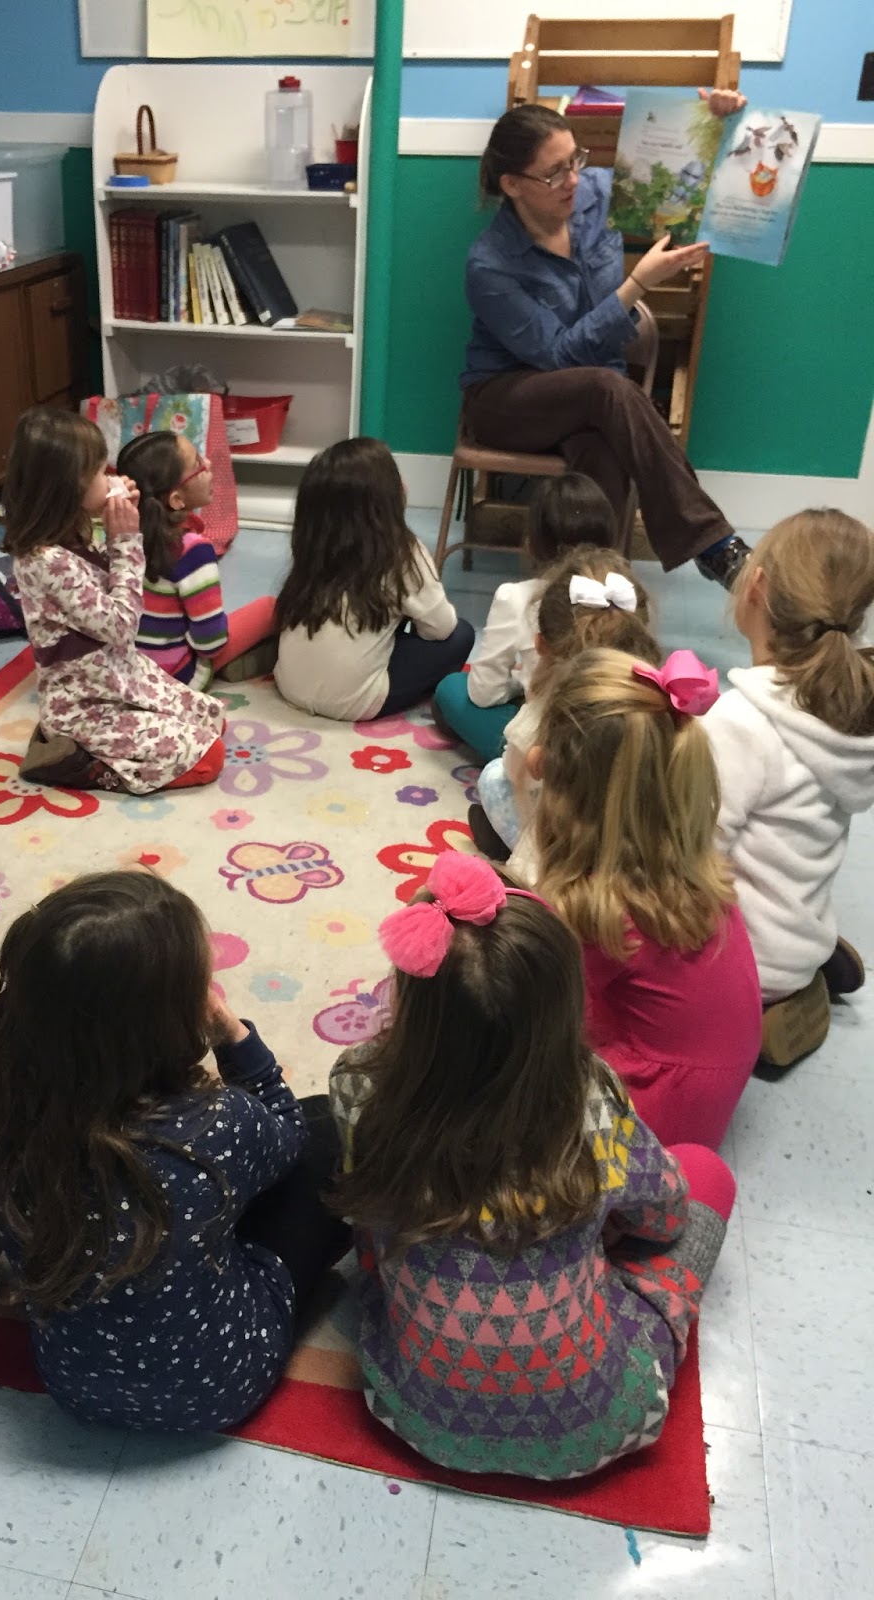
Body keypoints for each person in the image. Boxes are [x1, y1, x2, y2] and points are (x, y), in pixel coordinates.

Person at [329, 850, 735, 1481]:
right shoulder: (591, 1096)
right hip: (594, 1426)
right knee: (708, 1172)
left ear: (411, 1001)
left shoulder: (356, 1085)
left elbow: (367, 1217)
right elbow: (665, 1217)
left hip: (411, 1412)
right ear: (563, 1008)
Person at [0, 871, 349, 1433]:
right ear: (172, 1023)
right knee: (324, 1127)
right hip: (222, 1383)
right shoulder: (212, 1124)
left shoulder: (2, 1114)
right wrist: (231, 1032)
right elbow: (287, 1136)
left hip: (72, 1387)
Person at [461, 94, 752, 589]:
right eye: (554, 173)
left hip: (595, 398)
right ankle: (714, 546)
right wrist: (637, 284)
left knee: (605, 449)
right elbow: (557, 357)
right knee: (605, 388)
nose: (574, 179)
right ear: (512, 185)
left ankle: (590, 592)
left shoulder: (600, 193)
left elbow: (687, 178)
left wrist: (720, 122)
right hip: (508, 401)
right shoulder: (489, 264)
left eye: (575, 160)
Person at [533, 648, 762, 1149]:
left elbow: (542, 1027)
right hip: (706, 1094)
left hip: (647, 1127)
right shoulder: (697, 870)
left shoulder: (592, 911)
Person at [703, 510, 874, 1069]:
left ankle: (757, 1011)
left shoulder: (739, 722)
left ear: (755, 586)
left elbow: (690, 861)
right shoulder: (847, 714)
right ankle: (807, 964)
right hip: (795, 937)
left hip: (735, 966)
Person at [3, 406, 225, 794]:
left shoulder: (74, 529)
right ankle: (77, 763)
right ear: (66, 489)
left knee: (212, 719)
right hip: (84, 705)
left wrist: (122, 514)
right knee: (209, 758)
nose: (110, 479)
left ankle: (92, 746)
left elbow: (106, 590)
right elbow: (121, 626)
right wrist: (125, 540)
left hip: (117, 679)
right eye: (98, 474)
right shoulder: (45, 561)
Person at [469, 545, 660, 878]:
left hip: (555, 875)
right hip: (640, 868)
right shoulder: (664, 707)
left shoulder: (541, 718)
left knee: (495, 777)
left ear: (540, 644)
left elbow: (514, 773)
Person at [274, 437, 476, 722]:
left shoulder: (315, 542)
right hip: (354, 701)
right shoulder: (401, 549)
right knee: (462, 634)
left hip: (290, 685)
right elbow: (442, 628)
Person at [433, 472, 617, 762]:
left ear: (532, 542)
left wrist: (519, 684)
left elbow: (484, 693)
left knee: (450, 690)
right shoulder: (623, 596)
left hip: (551, 750)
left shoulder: (516, 598)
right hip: (614, 740)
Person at [117, 429, 278, 688]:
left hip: (128, 672)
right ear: (177, 500)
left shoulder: (120, 536)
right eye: (198, 465)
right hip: (177, 676)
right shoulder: (192, 551)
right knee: (271, 607)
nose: (209, 464)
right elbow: (210, 643)